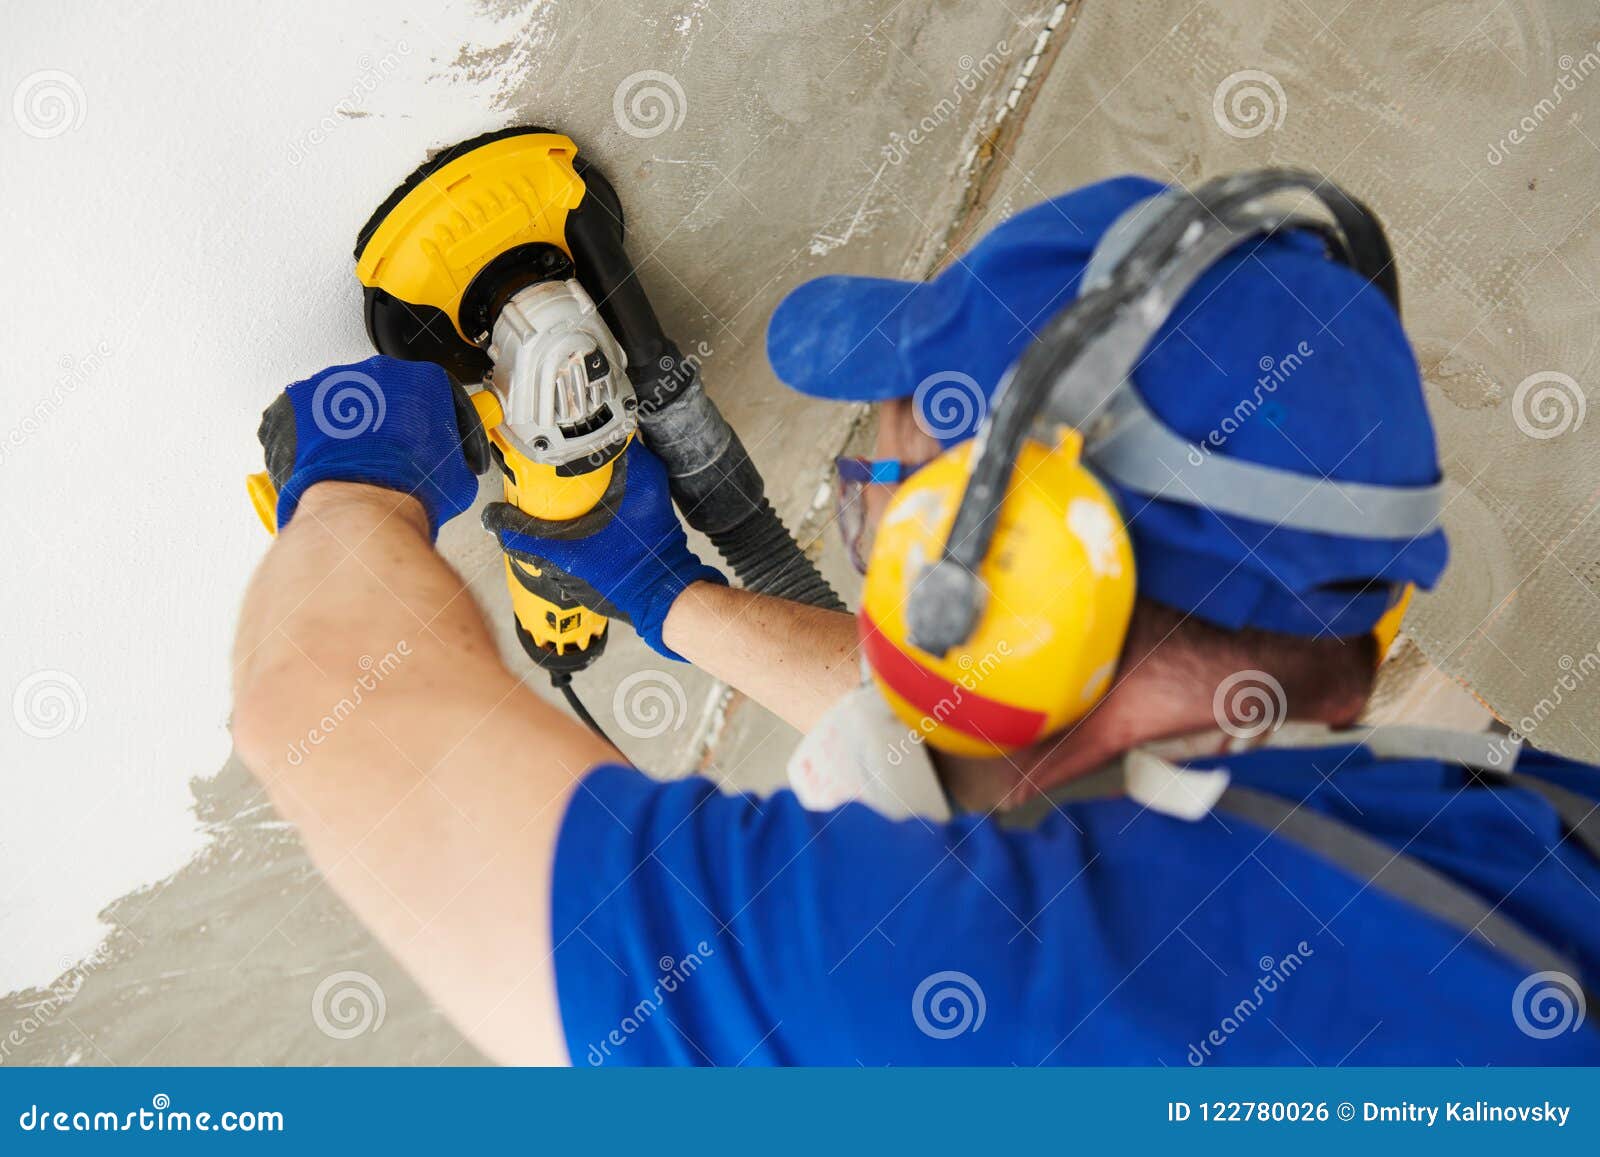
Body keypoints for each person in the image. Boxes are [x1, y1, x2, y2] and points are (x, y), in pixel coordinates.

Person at [232, 176, 1600, 1066]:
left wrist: (348, 486)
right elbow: (995, 755)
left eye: (883, 492)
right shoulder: (1500, 831)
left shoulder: (997, 1014)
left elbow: (324, 699)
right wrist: (662, 593)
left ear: (1018, 574)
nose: (865, 523)